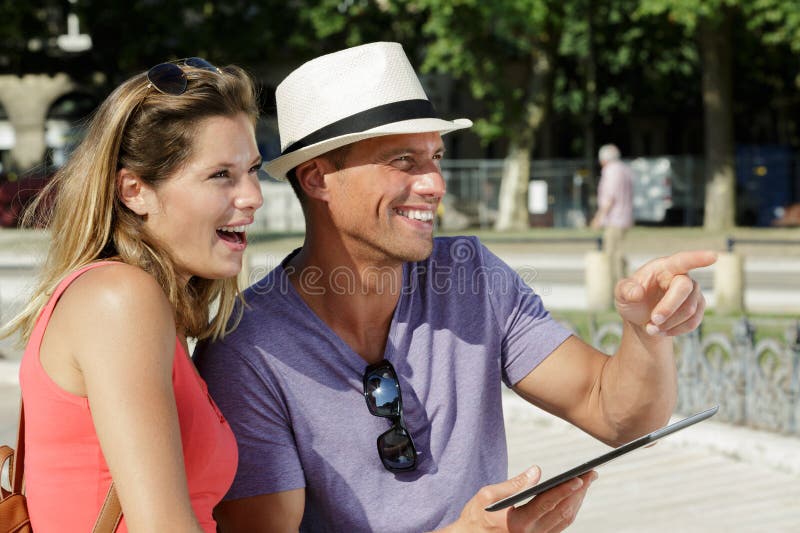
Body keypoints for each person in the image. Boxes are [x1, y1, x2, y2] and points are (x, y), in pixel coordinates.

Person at [194, 42, 716, 532]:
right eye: (404, 161)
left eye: (436, 158)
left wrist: (648, 333)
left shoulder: (471, 274)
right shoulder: (246, 350)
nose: (435, 184)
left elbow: (614, 414)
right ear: (316, 178)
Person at [0, 57, 263, 531]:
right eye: (221, 174)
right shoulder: (119, 299)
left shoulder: (144, 306)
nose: (253, 196)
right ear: (135, 190)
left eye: (253, 170)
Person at [590, 143, 634, 287]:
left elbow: (610, 197)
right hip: (626, 217)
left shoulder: (611, 171)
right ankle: (629, 284)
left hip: (615, 218)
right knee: (620, 253)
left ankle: (621, 287)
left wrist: (598, 217)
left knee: (613, 255)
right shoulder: (625, 169)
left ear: (603, 159)